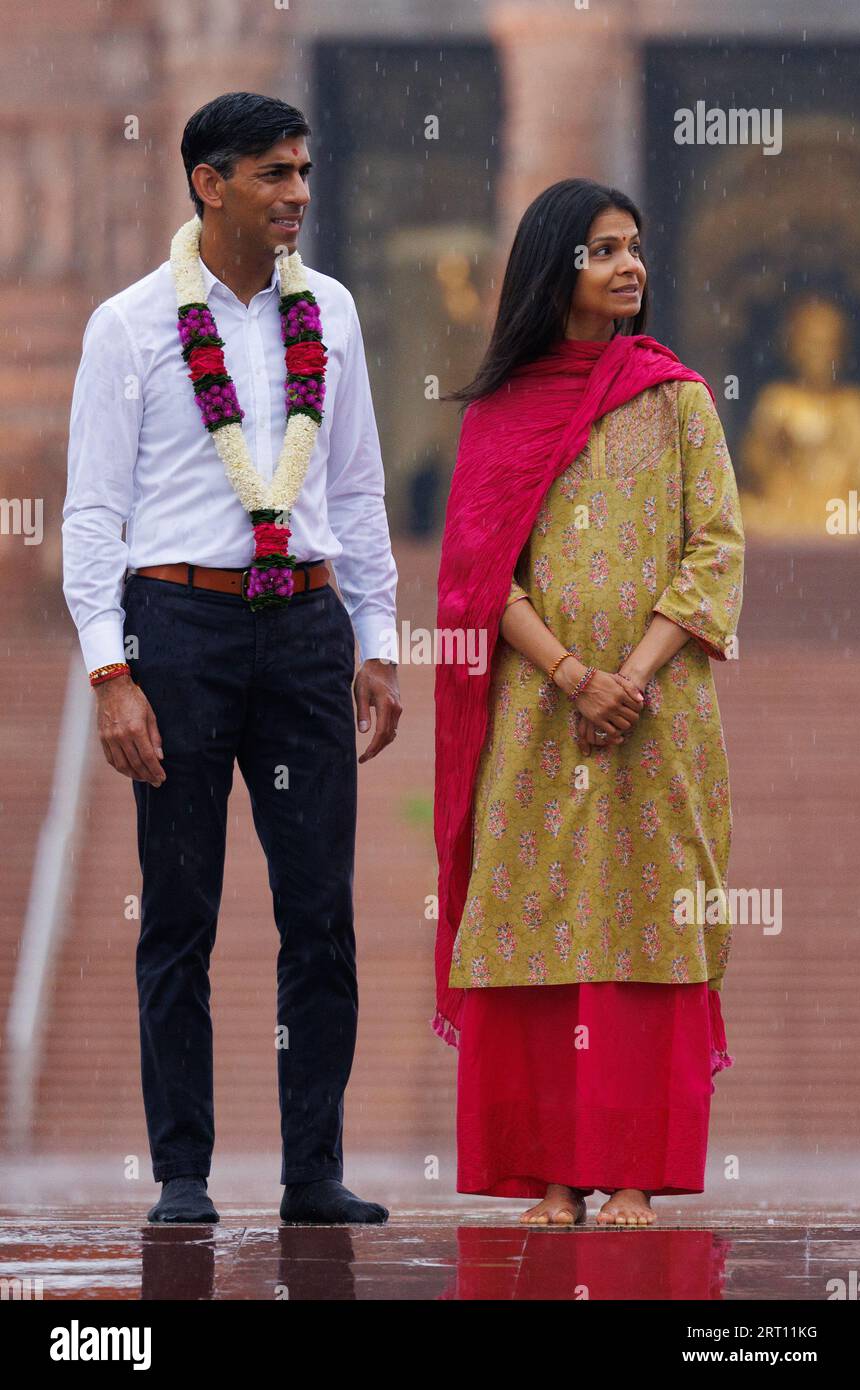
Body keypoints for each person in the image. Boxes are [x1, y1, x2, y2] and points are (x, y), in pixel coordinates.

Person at [62, 91, 402, 1225]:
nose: (300, 193)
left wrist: (379, 640)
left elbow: (354, 487)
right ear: (209, 184)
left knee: (321, 914)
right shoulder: (131, 324)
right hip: (184, 629)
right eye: (275, 174)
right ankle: (184, 1176)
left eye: (304, 171)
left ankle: (313, 1173)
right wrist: (112, 673)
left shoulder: (337, 315)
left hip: (306, 628)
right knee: (179, 911)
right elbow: (93, 517)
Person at [434, 178, 745, 1227]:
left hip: (660, 718)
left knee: (648, 917)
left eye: (637, 248)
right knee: (539, 918)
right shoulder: (502, 409)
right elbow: (478, 574)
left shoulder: (679, 396)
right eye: (604, 249)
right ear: (553, 266)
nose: (630, 266)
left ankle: (633, 1176)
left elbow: (717, 551)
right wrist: (573, 674)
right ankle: (552, 1178)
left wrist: (635, 674)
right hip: (536, 712)